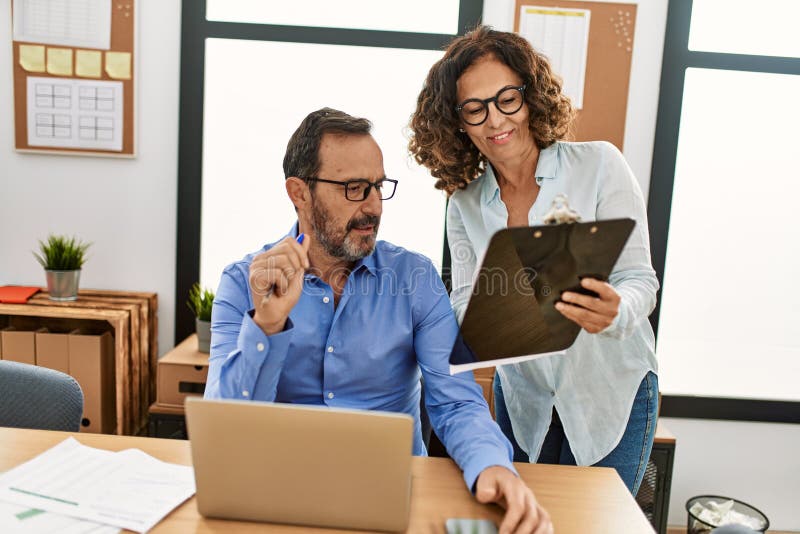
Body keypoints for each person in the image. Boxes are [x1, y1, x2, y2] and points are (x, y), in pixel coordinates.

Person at [205, 107, 553, 534]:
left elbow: (456, 401)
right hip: (279, 497)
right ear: (299, 193)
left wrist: (492, 466)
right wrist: (267, 324)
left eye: (378, 186)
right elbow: (225, 427)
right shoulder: (244, 283)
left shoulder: (415, 279)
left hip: (392, 498)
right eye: (354, 188)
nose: (373, 206)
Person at [408, 26, 659, 495]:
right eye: (475, 109)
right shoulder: (464, 204)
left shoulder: (599, 165)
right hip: (526, 399)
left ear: (531, 97)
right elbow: (463, 301)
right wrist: (484, 320)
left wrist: (616, 310)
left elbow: (638, 279)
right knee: (531, 519)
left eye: (507, 99)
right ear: (457, 122)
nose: (495, 120)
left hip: (610, 391)